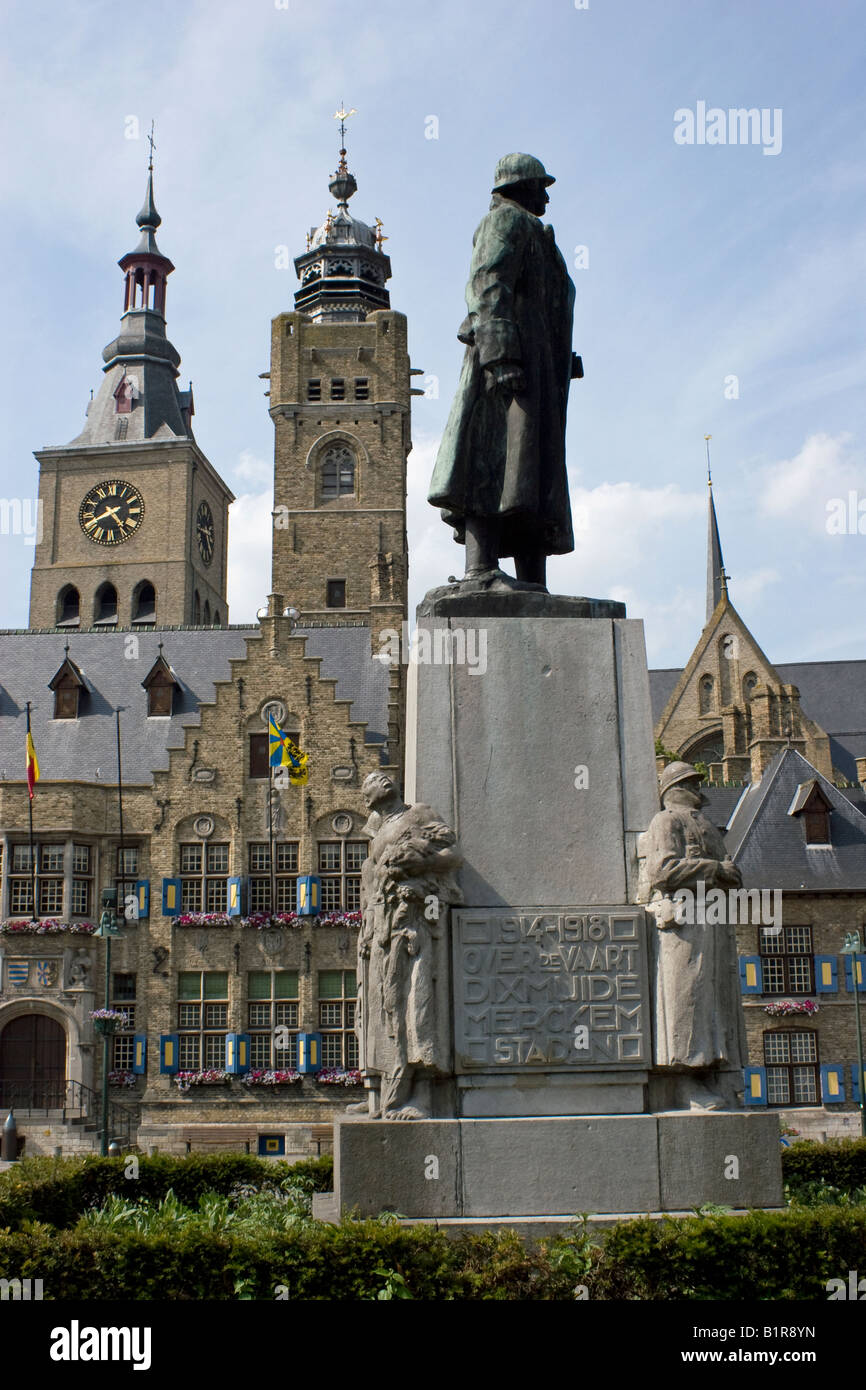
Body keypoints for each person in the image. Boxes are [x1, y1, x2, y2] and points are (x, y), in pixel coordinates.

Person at [428, 152, 582, 589]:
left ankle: (533, 581)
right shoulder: (505, 222)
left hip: (536, 363)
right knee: (491, 461)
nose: (547, 199)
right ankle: (480, 571)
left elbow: (544, 304)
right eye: (541, 188)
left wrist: (561, 359)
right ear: (521, 187)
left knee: (531, 469)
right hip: (508, 363)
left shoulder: (537, 232)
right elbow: (487, 282)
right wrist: (500, 355)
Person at [354, 772, 461, 1119]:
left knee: (415, 1008)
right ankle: (381, 1093)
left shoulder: (419, 814)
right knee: (378, 1010)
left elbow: (452, 855)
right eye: (370, 780)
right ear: (368, 800)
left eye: (380, 777)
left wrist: (425, 863)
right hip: (379, 930)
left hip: (411, 922)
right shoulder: (375, 833)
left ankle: (423, 1094)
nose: (378, 779)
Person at [642, 760, 747, 1110]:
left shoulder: (707, 825)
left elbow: (729, 867)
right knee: (688, 996)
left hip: (713, 920)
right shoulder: (666, 820)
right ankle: (687, 1079)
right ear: (676, 789)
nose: (699, 790)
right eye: (692, 783)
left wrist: (727, 873)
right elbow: (662, 872)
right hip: (683, 923)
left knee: (715, 998)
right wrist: (715, 869)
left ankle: (715, 1074)